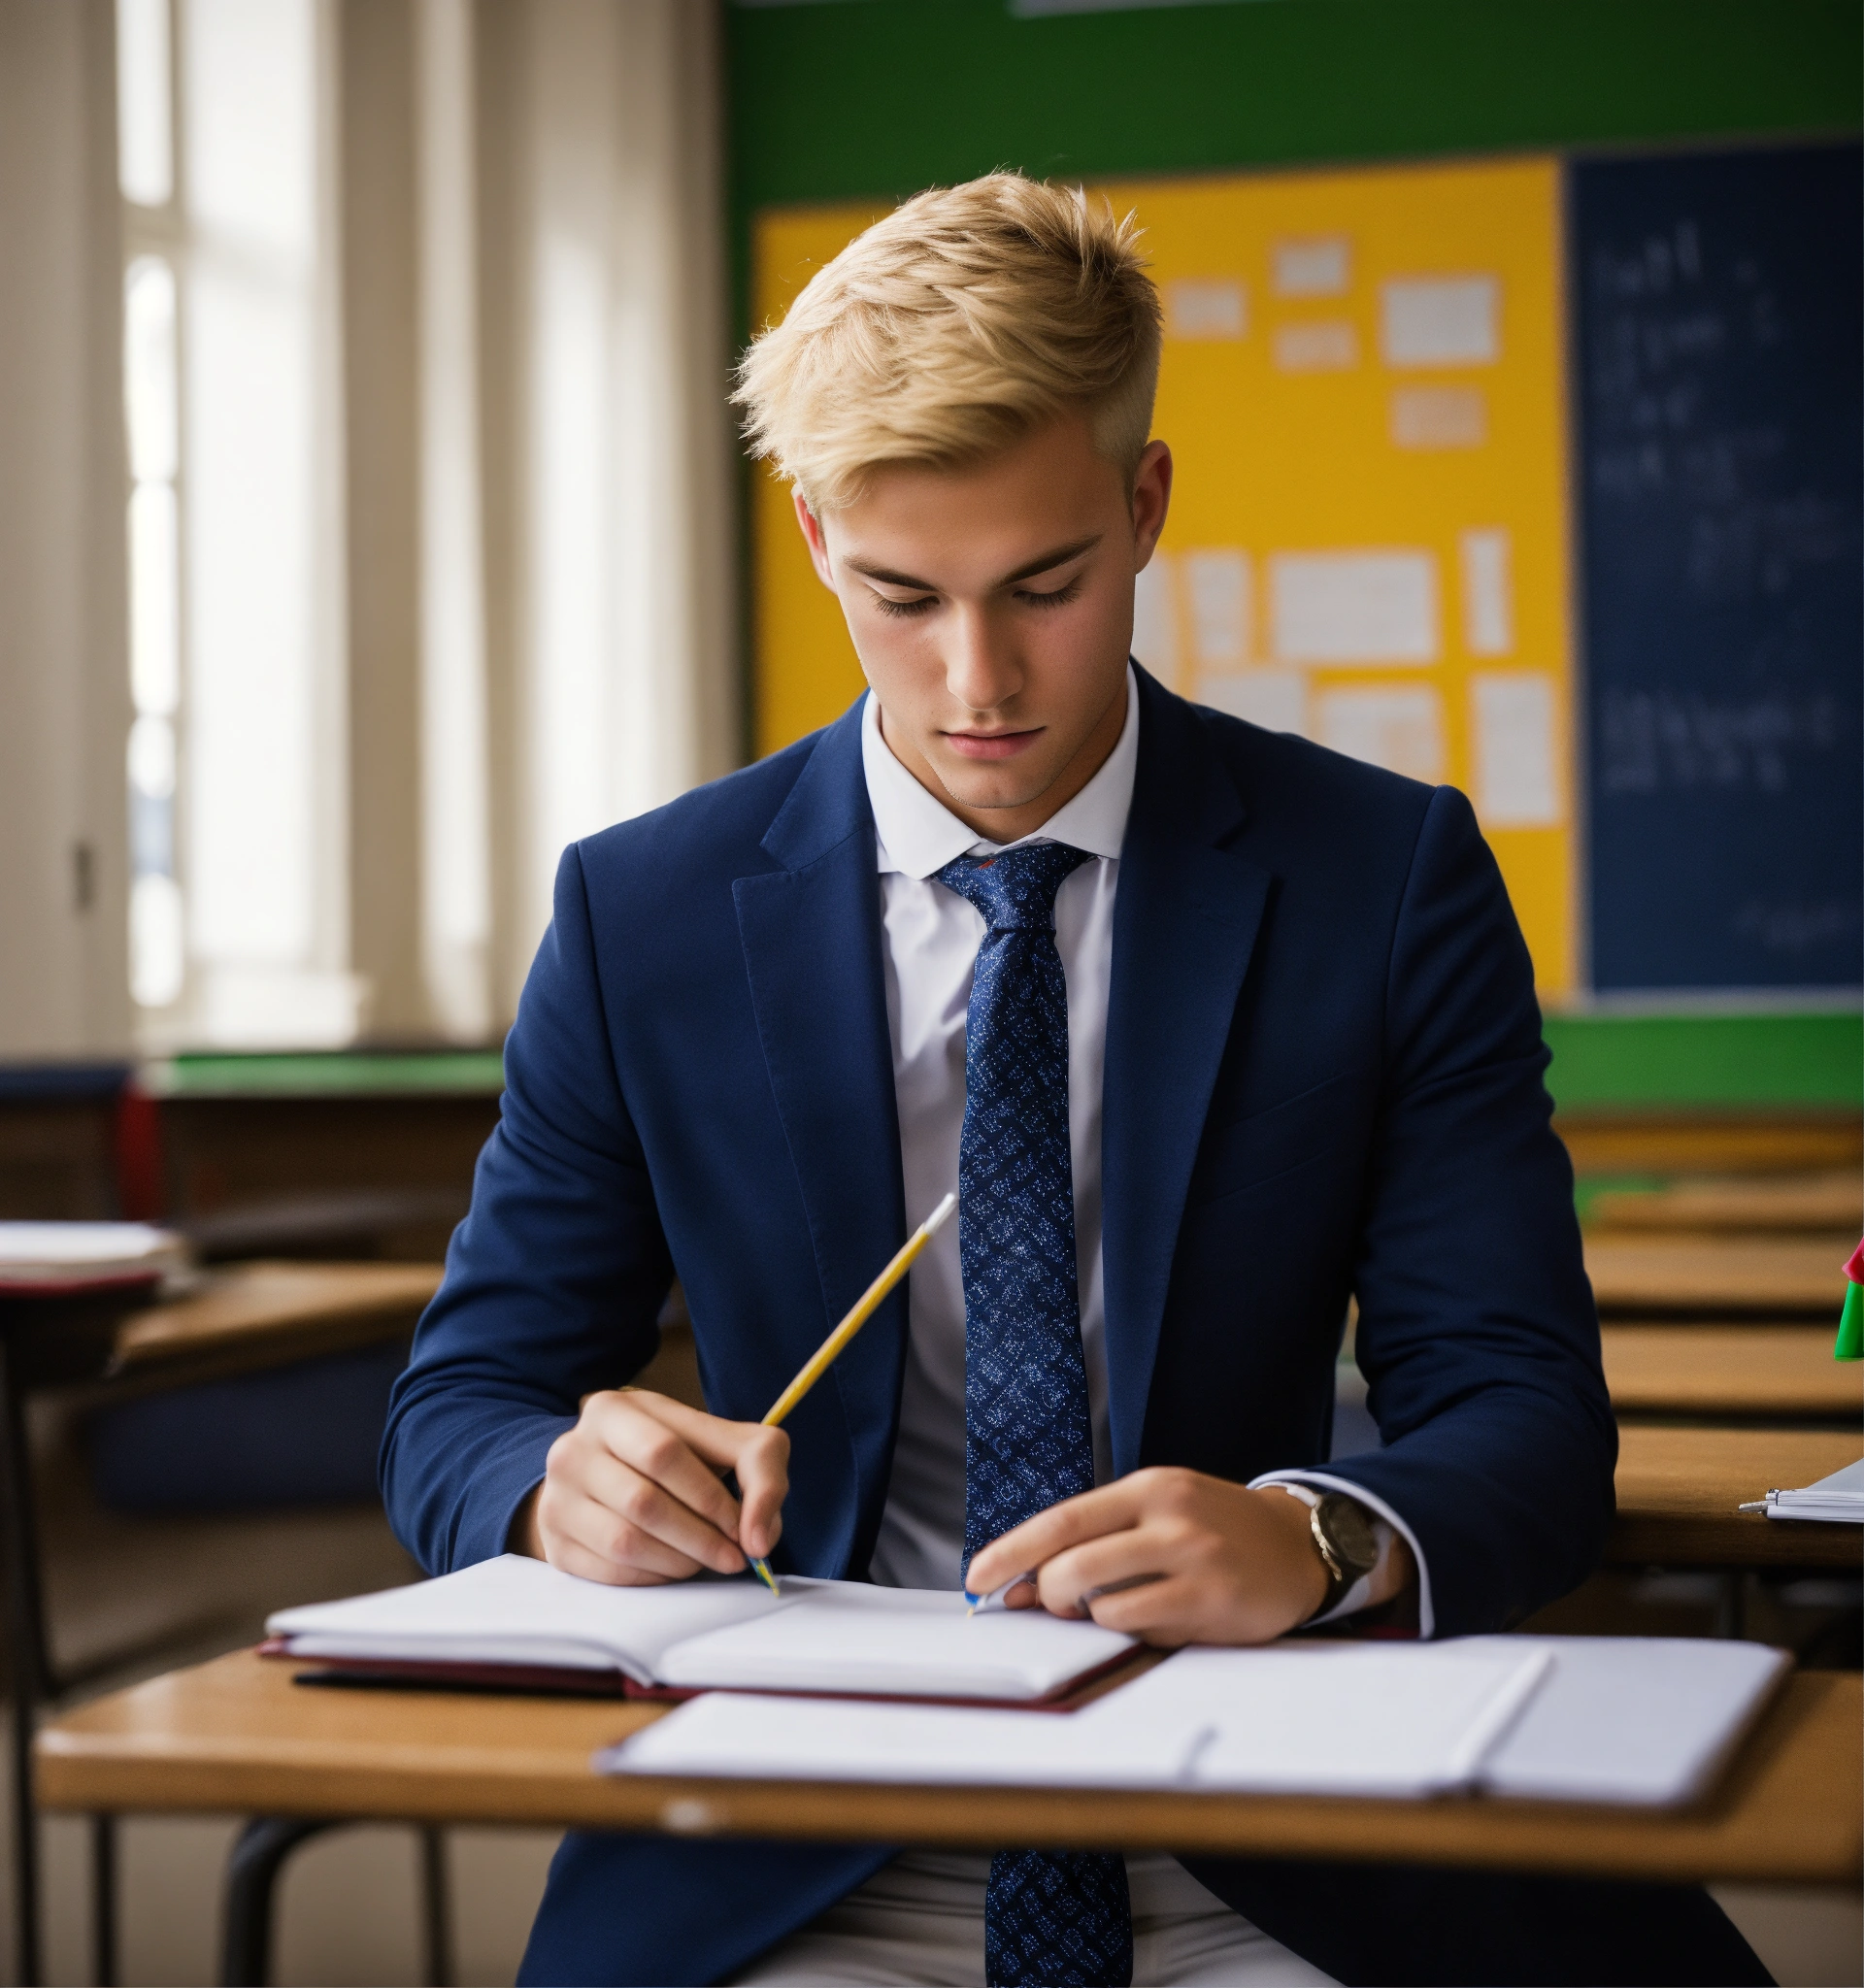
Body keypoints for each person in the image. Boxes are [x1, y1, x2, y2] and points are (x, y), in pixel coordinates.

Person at [381, 173, 1769, 1988]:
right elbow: (460, 1403)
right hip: (792, 1836)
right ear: (814, 535)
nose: (979, 681)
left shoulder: (1382, 881)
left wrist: (1314, 1536)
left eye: (1045, 585)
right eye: (902, 596)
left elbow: (1524, 1411)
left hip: (1275, 1819)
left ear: (1145, 504)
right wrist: (553, 1488)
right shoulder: (641, 914)